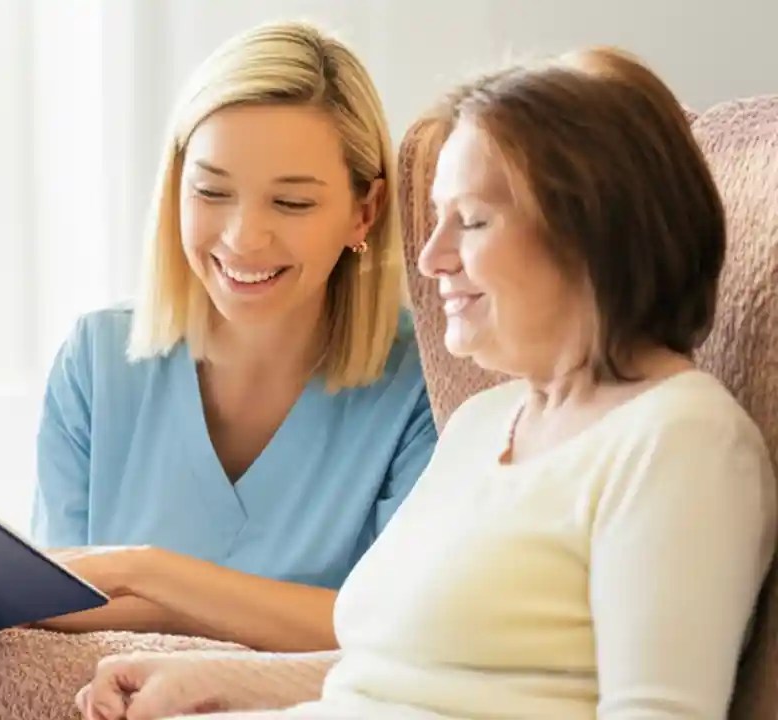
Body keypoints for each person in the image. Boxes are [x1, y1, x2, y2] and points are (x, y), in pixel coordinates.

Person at [75, 46, 777, 719]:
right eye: (437, 218)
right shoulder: (483, 422)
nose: (433, 258)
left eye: (470, 221)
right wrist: (220, 680)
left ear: (596, 232)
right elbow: (400, 674)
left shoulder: (679, 443)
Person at [0, 20, 437, 652]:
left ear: (363, 212)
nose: (243, 238)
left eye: (290, 204)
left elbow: (392, 626)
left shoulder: (421, 386)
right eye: (211, 191)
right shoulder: (98, 362)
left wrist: (144, 571)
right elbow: (59, 610)